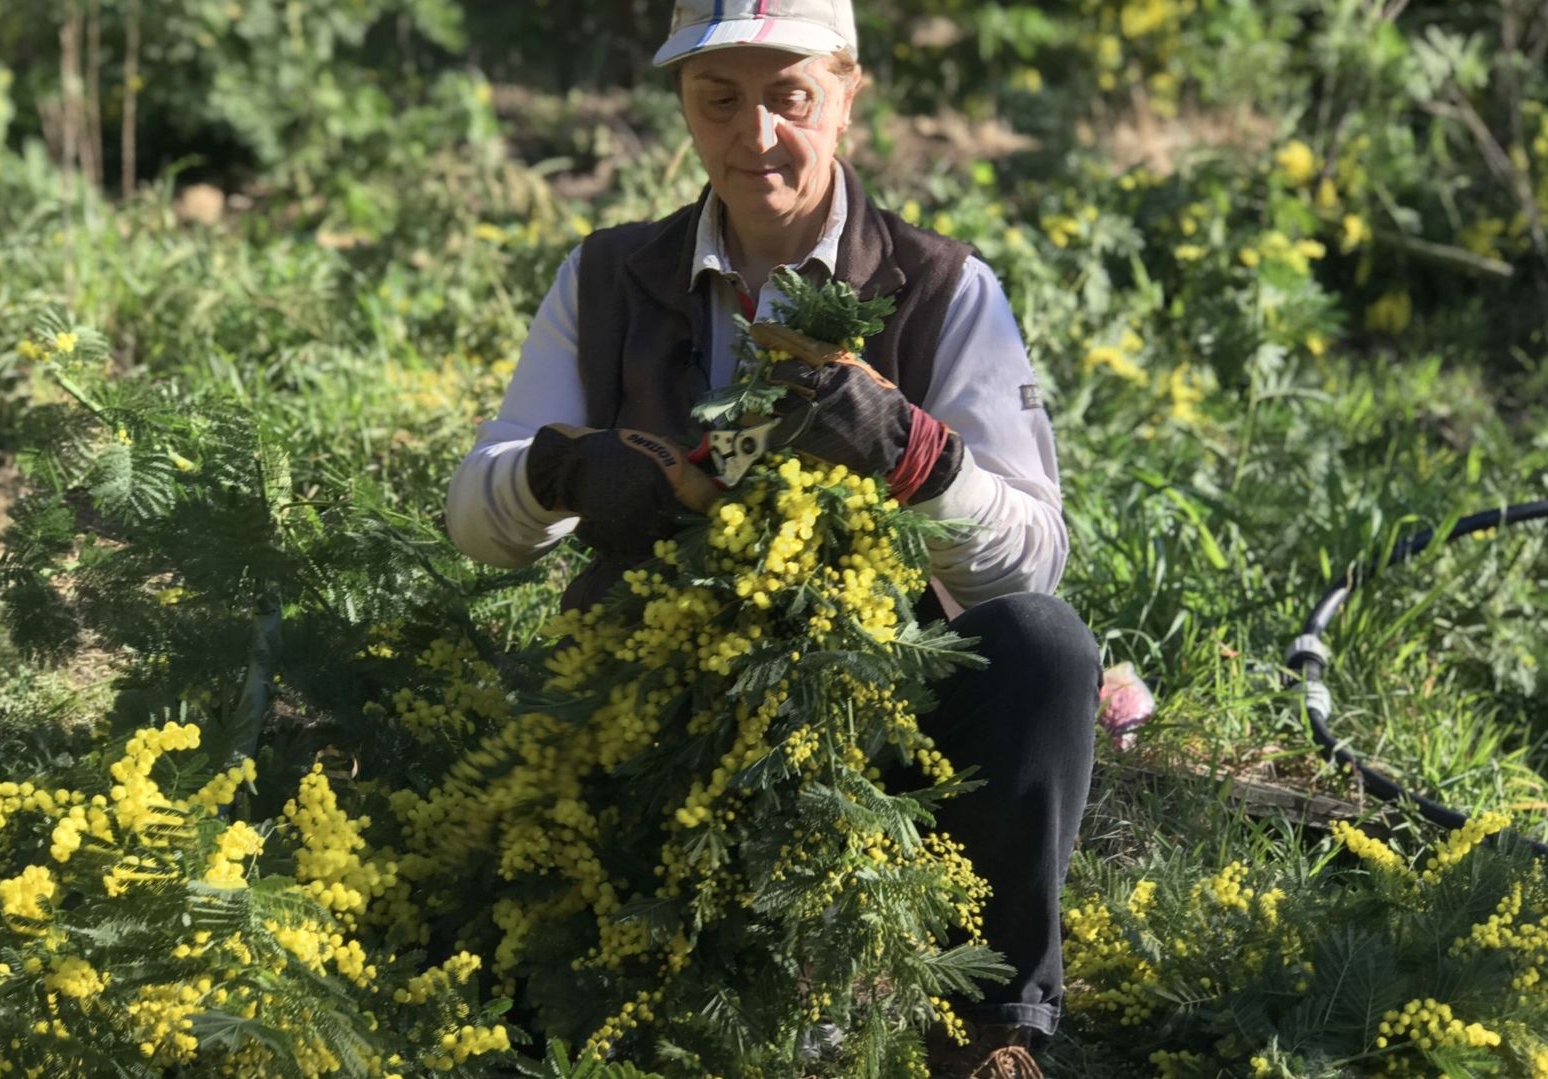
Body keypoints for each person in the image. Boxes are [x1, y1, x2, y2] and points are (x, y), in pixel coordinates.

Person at [444, 2, 1100, 1075]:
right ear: (683, 108)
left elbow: (1034, 557)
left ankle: (988, 1029)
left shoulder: (944, 289)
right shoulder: (607, 278)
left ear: (846, 95)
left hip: (875, 714)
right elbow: (475, 520)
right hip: (661, 707)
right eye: (719, 99)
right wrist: (557, 471)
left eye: (790, 97)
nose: (756, 135)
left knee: (1044, 649)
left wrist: (914, 454)